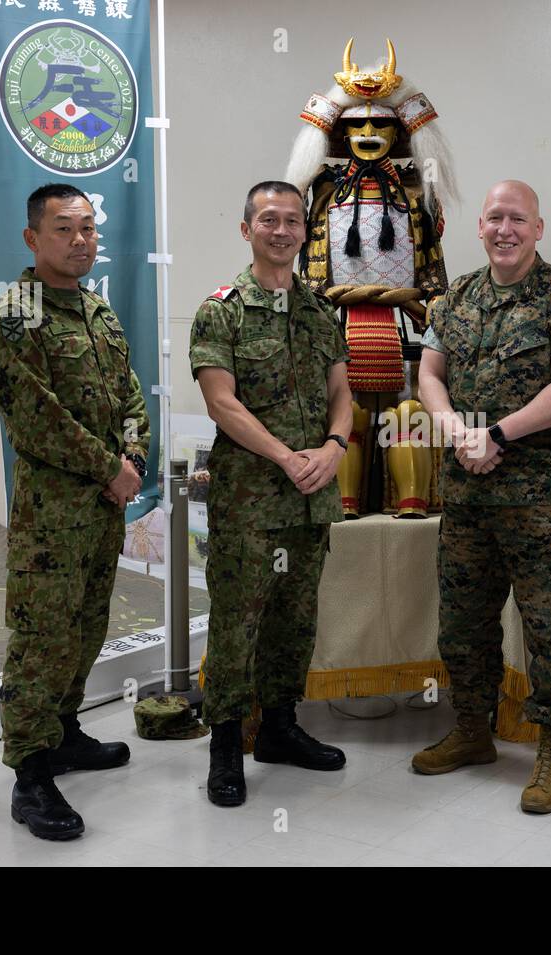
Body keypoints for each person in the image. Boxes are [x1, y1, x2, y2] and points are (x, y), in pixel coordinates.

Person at [411, 180, 551, 815]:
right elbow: (429, 375)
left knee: (548, 627)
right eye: (494, 217)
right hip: (467, 496)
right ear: (480, 227)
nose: (504, 229)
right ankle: (472, 730)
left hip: (542, 502)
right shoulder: (454, 298)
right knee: (462, 624)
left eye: (517, 218)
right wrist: (457, 432)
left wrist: (494, 434)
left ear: (538, 228)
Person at [0, 182, 150, 840]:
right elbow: (35, 417)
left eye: (88, 229)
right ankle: (29, 772)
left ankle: (65, 731)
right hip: (52, 516)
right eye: (64, 230)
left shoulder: (98, 313)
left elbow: (130, 396)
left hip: (103, 510)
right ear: (32, 238)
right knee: (41, 640)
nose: (80, 240)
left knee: (85, 628)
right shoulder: (12, 314)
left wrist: (131, 457)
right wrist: (111, 468)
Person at [189, 181, 353, 808]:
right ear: (247, 229)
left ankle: (281, 728)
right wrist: (287, 456)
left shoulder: (319, 312)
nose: (281, 231)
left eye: (292, 221)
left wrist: (335, 447)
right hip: (251, 500)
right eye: (268, 220)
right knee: (238, 623)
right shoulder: (221, 310)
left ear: (305, 232)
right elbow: (221, 401)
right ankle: (227, 743)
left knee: (295, 618)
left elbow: (344, 392)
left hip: (312, 496)